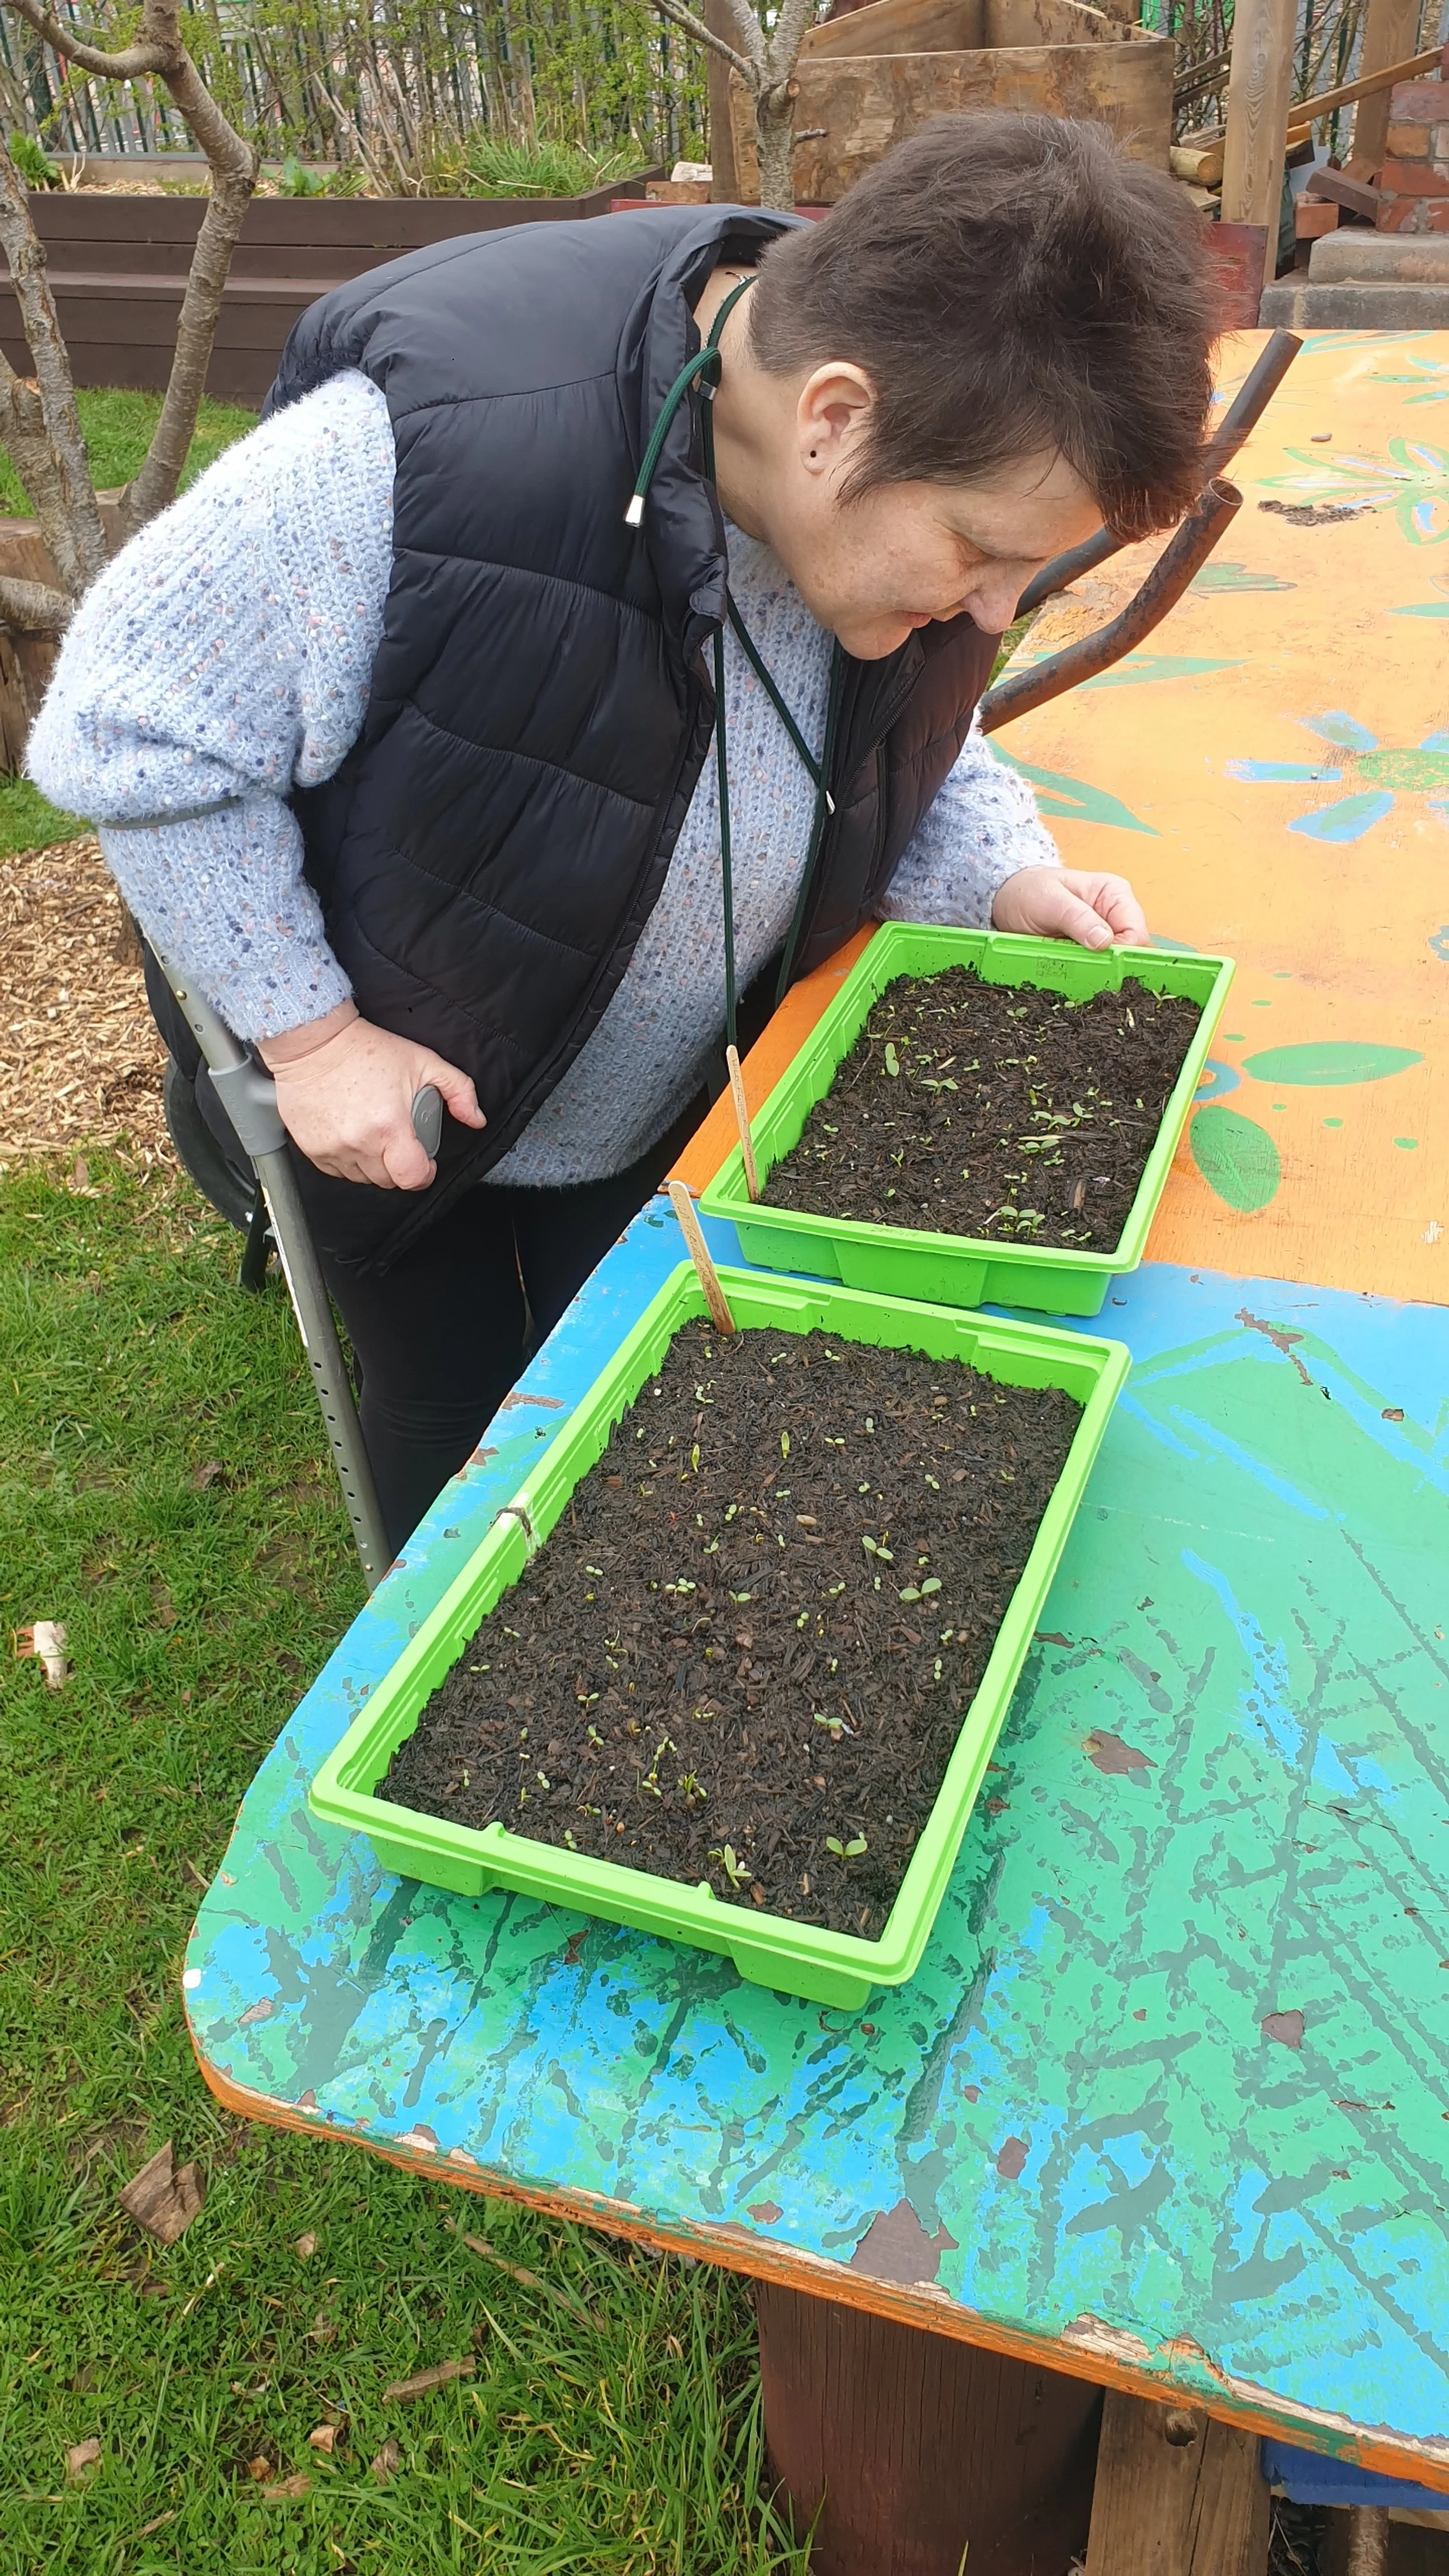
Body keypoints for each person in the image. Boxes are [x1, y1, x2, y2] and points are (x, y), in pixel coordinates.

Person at [30, 112, 1217, 1555]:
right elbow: (130, 726)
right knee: (450, 1409)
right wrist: (309, 1036)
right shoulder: (418, 452)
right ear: (833, 419)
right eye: (980, 551)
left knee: (634, 1368)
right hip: (410, 1112)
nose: (992, 609)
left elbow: (920, 721)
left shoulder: (902, 429)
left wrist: (1002, 866)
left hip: (657, 1086)